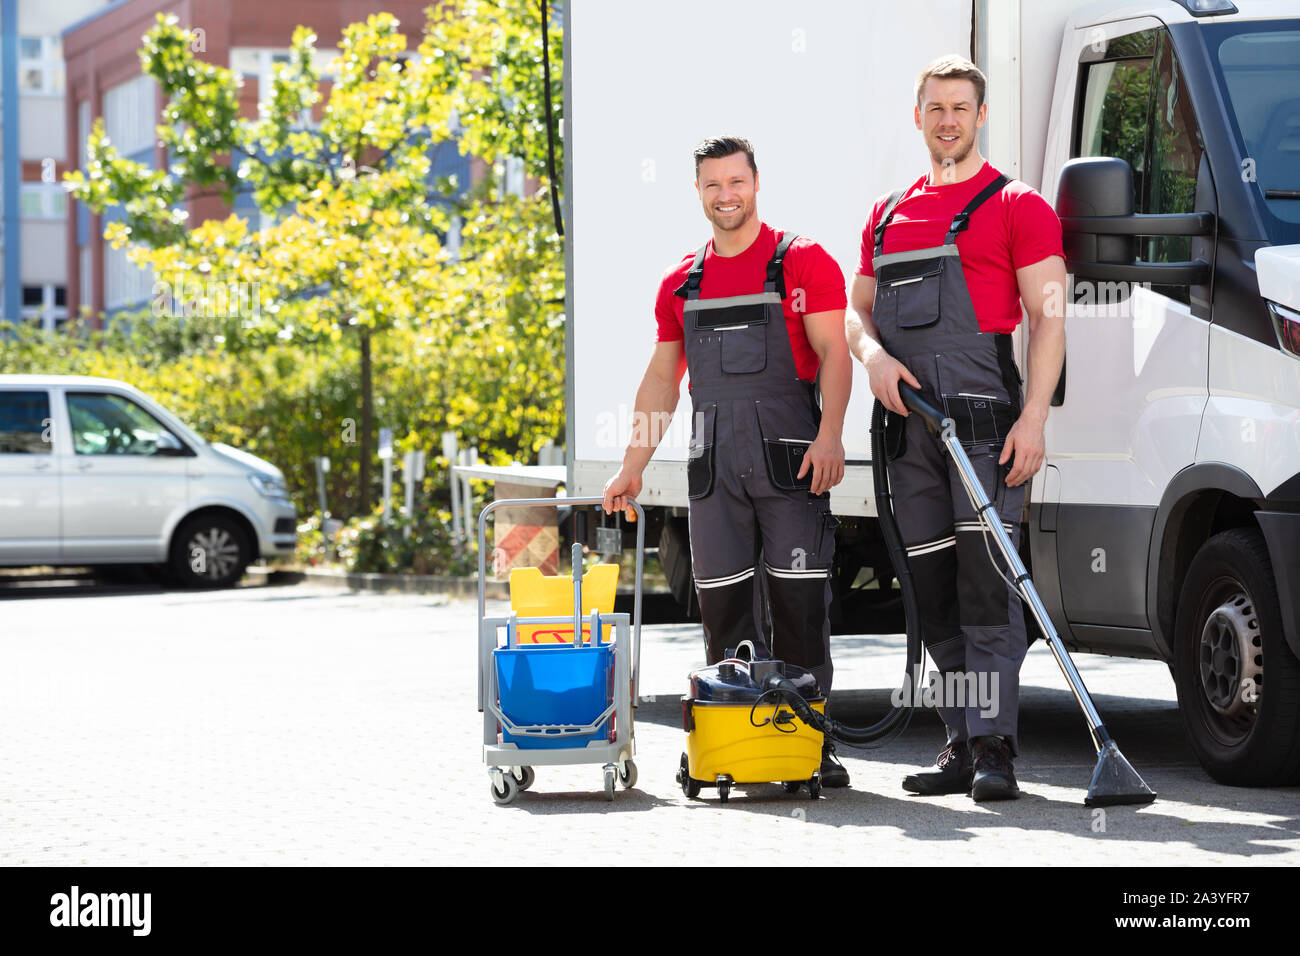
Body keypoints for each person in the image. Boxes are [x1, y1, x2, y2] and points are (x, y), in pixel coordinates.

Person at [846, 56, 1066, 800]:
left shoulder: (1018, 205)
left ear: (980, 117)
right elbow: (856, 311)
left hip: (983, 429)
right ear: (918, 117)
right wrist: (872, 356)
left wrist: (1035, 417)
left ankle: (998, 749)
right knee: (933, 587)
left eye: (960, 108)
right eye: (935, 108)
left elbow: (1049, 319)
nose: (947, 120)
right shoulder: (887, 213)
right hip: (909, 436)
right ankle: (962, 743)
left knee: (988, 587)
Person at [602, 135, 853, 786]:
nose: (726, 195)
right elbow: (661, 381)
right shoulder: (682, 282)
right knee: (723, 610)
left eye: (735, 182)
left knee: (800, 609)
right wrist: (631, 466)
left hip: (790, 460)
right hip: (713, 467)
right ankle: (734, 742)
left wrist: (831, 435)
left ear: (756, 182)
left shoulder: (801, 261)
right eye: (713, 185)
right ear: (698, 193)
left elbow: (834, 352)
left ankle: (810, 745)